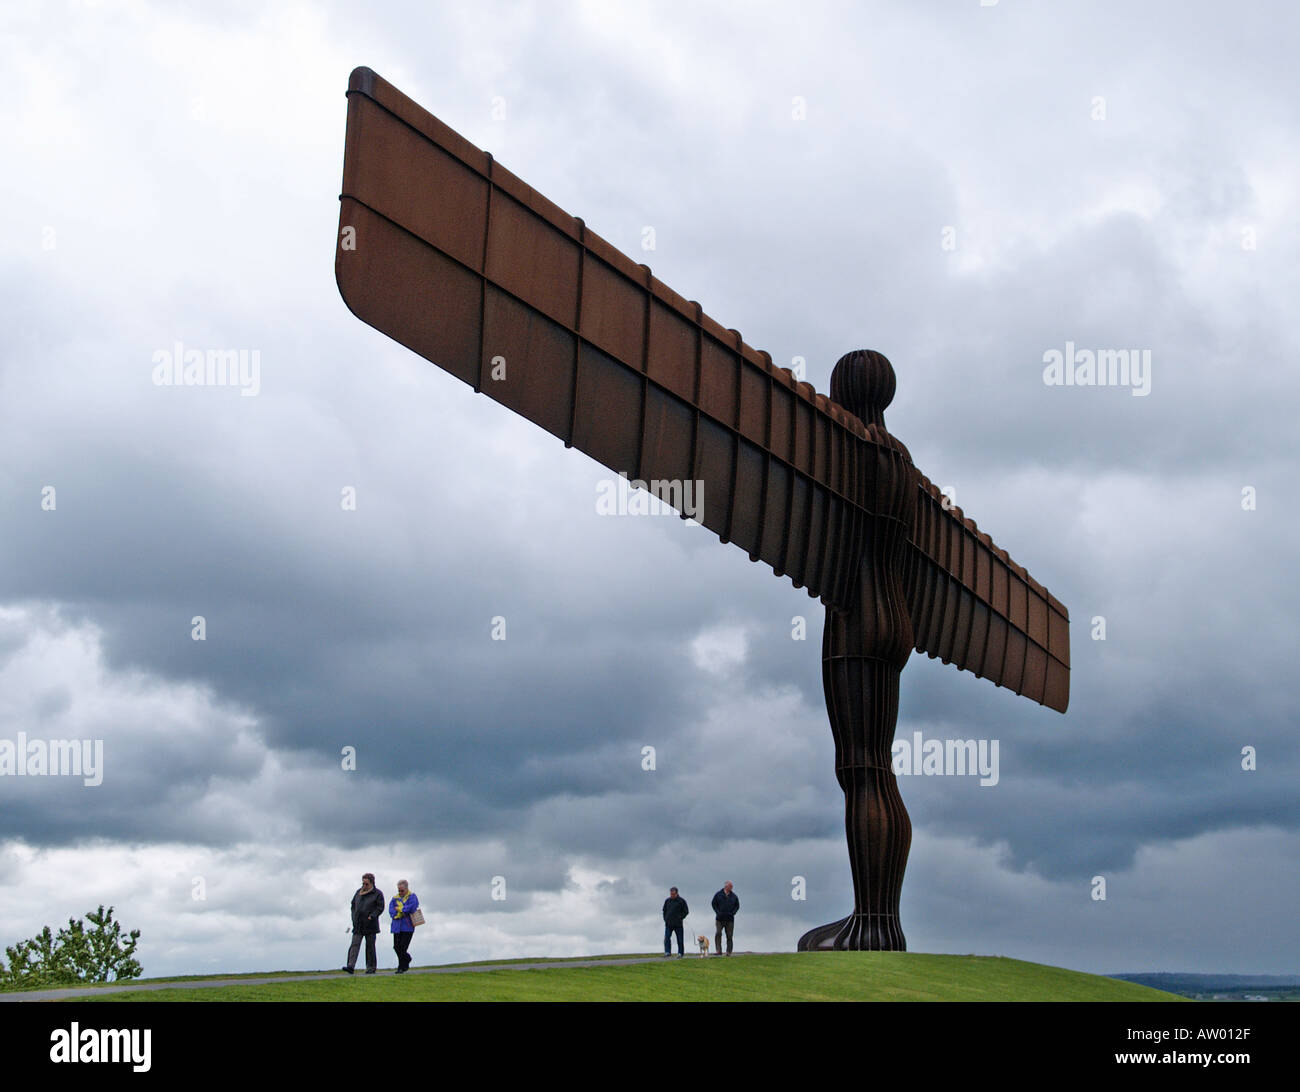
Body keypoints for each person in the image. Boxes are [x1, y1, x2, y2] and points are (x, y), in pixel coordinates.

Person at [343, 872, 385, 974]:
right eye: (363, 884)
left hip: (370, 925)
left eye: (366, 884)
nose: (364, 886)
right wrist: (354, 917)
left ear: (372, 883)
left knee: (370, 946)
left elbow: (380, 907)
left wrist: (372, 916)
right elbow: (353, 905)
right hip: (358, 924)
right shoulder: (358, 892)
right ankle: (350, 966)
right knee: (354, 945)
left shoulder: (377, 894)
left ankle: (371, 967)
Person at [389, 879, 420, 974]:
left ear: (406, 888)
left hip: (408, 926)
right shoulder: (394, 898)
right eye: (399, 890)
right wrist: (398, 912)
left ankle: (401, 966)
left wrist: (401, 909)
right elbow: (391, 910)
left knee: (403, 947)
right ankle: (407, 959)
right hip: (397, 926)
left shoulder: (412, 897)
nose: (400, 892)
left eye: (402, 890)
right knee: (396, 947)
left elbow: (412, 907)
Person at [711, 881, 739, 956]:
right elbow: (713, 904)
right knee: (718, 933)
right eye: (730, 886)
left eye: (732, 887)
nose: (731, 888)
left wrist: (733, 913)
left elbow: (737, 906)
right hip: (719, 919)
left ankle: (728, 951)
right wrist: (717, 912)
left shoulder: (734, 896)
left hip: (730, 919)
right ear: (726, 886)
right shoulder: (718, 894)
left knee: (729, 935)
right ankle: (718, 950)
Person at [662, 886, 689, 958]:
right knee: (667, 938)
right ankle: (667, 952)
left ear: (677, 893)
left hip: (678, 924)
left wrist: (680, 917)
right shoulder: (667, 901)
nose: (672, 895)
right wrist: (665, 919)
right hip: (668, 923)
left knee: (680, 939)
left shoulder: (681, 901)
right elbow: (664, 910)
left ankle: (680, 953)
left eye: (673, 894)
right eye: (671, 894)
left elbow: (686, 911)